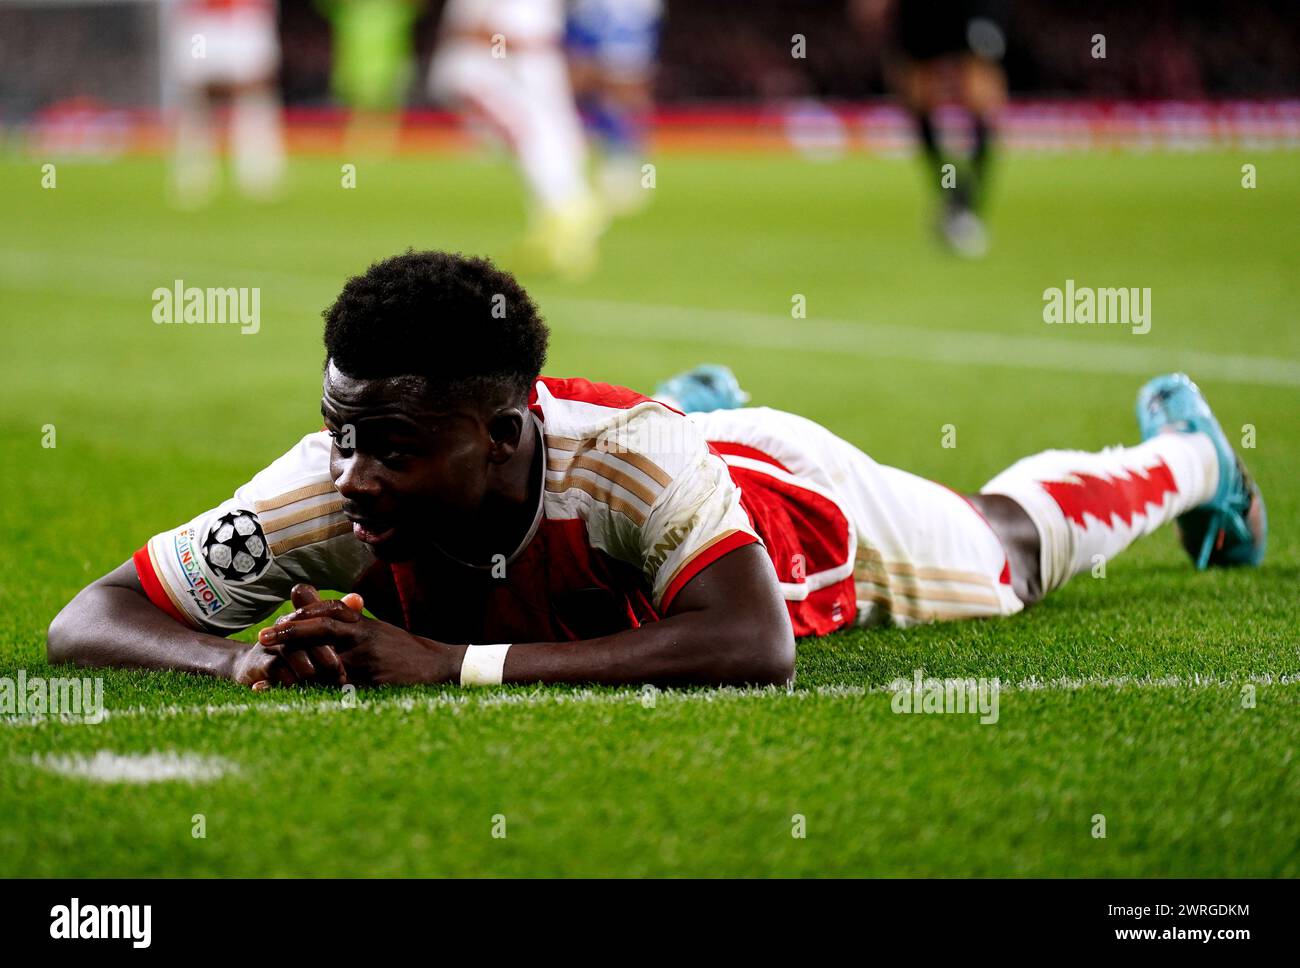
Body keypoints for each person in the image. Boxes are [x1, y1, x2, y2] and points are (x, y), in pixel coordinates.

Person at [47, 252, 1266, 689]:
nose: (354, 475)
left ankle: (1187, 455)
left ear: (505, 431)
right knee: (660, 488)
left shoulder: (618, 461)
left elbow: (752, 646)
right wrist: (233, 653)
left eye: (397, 448)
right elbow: (87, 614)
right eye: (344, 431)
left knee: (1004, 547)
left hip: (787, 508)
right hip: (668, 477)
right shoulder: (333, 478)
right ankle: (704, 424)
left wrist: (446, 665)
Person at [853, 0, 1010, 256]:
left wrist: (989, 18)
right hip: (919, 17)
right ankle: (953, 196)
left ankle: (967, 201)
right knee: (917, 101)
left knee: (980, 99)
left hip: (966, 12)